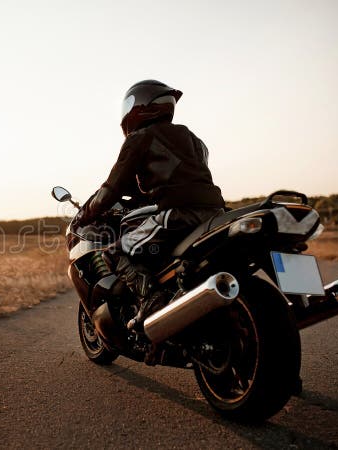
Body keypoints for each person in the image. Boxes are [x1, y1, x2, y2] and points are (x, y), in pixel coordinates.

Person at [72, 80, 225, 327]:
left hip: (177, 214)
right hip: (216, 214)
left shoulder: (140, 138)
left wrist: (86, 213)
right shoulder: (195, 140)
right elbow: (183, 176)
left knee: (115, 252)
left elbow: (112, 188)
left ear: (140, 106)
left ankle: (150, 300)